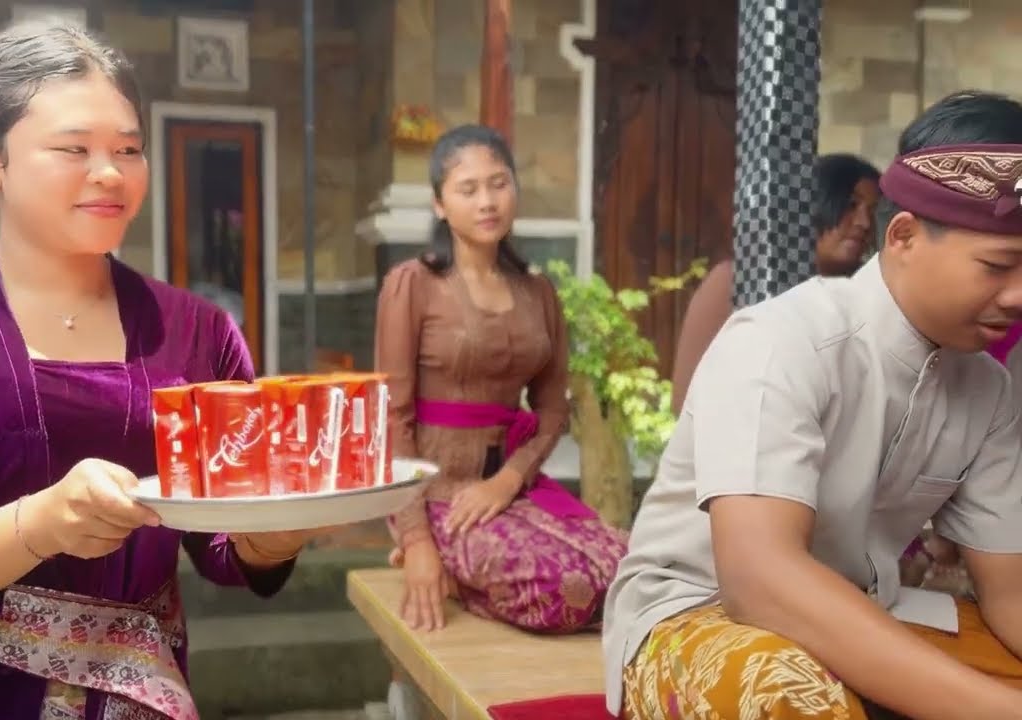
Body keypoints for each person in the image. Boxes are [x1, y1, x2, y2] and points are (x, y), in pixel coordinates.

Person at [0, 21, 321, 720]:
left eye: (129, 150)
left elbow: (224, 551)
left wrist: (278, 531)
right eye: (74, 148)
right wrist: (38, 525)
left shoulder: (199, 331)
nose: (110, 172)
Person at [603, 89, 1022, 720]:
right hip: (704, 613)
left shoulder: (988, 390)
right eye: (999, 265)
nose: (1019, 296)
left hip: (871, 608)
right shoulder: (783, 340)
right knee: (788, 695)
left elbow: (1010, 592)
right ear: (904, 236)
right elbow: (759, 579)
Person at [374, 124, 629, 638]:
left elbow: (553, 409)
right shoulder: (413, 285)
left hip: (513, 488)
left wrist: (509, 480)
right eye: (468, 189)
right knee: (568, 589)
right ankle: (451, 571)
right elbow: (391, 417)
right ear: (440, 205)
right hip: (436, 496)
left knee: (635, 567)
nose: (487, 201)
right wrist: (419, 542)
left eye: (499, 183)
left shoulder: (539, 292)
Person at [670, 153, 880, 414]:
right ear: (813, 205)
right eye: (850, 205)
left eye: (873, 211)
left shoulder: (868, 290)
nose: (864, 222)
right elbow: (686, 400)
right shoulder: (740, 280)